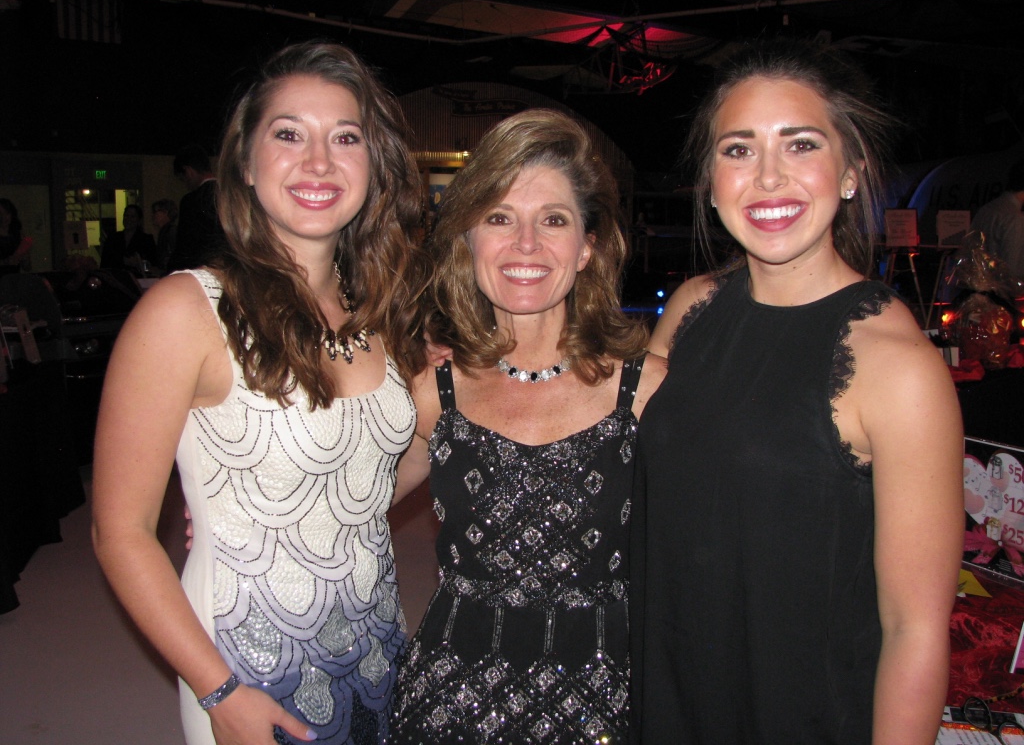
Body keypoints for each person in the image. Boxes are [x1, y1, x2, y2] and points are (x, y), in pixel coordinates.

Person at [92, 40, 429, 745]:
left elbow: (362, 489)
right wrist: (219, 692)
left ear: (375, 167)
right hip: (248, 662)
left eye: (346, 138)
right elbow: (119, 533)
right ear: (244, 163)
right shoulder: (187, 312)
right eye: (288, 135)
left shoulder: (380, 312)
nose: (318, 162)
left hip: (376, 643)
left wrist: (440, 418)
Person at [631, 39, 964, 744]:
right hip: (669, 697)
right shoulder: (691, 309)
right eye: (739, 150)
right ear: (711, 178)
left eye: (801, 144)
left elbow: (915, 630)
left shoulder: (897, 367)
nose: (769, 178)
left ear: (850, 171)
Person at [389, 109, 666, 743]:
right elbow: (351, 504)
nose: (526, 245)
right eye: (499, 218)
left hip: (604, 700)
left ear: (588, 244)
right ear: (469, 239)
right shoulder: (436, 392)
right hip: (451, 698)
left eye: (554, 220)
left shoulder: (647, 390)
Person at [167, 143, 228, 271]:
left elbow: (185, 248)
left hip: (204, 270)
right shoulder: (232, 194)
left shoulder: (191, 201)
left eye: (182, 179)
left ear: (188, 172)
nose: (186, 185)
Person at [972, 158, 1024, 283]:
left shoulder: (986, 209)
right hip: (1002, 293)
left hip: (978, 287)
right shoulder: (1014, 218)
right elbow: (1014, 269)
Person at [100, 202, 157, 274]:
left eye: (132, 216)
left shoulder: (146, 239)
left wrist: (138, 263)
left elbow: (153, 263)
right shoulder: (113, 238)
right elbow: (105, 262)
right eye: (126, 216)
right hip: (116, 278)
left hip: (138, 280)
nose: (128, 219)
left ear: (139, 220)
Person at [0, 198, 32, 275]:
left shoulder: (18, 234)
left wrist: (24, 259)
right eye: (1, 214)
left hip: (14, 279)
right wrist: (6, 262)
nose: (4, 217)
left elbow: (27, 267)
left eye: (7, 213)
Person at [151, 197, 179, 273]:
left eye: (156, 211)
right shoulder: (165, 231)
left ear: (166, 212)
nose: (153, 215)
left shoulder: (171, 231)